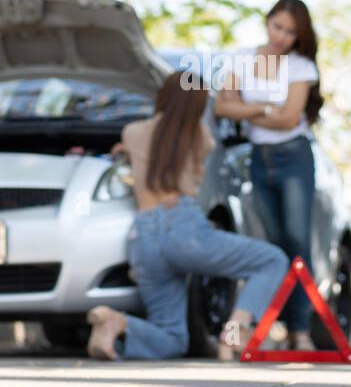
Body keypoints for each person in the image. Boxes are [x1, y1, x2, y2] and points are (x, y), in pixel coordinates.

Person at [86, 71, 289, 361]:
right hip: (182, 228)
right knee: (271, 260)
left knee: (172, 338)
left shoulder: (132, 132)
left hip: (142, 237)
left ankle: (118, 323)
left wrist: (125, 152)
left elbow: (133, 155)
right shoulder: (200, 136)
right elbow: (194, 170)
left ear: (165, 95)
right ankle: (235, 333)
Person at [214, 0, 323, 350]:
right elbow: (221, 105)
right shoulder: (241, 59)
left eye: (291, 32)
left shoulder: (301, 65)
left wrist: (245, 110)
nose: (282, 37)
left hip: (294, 157)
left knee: (297, 243)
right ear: (267, 21)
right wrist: (263, 107)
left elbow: (289, 118)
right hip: (259, 158)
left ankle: (300, 329)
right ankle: (273, 326)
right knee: (273, 248)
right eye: (278, 26)